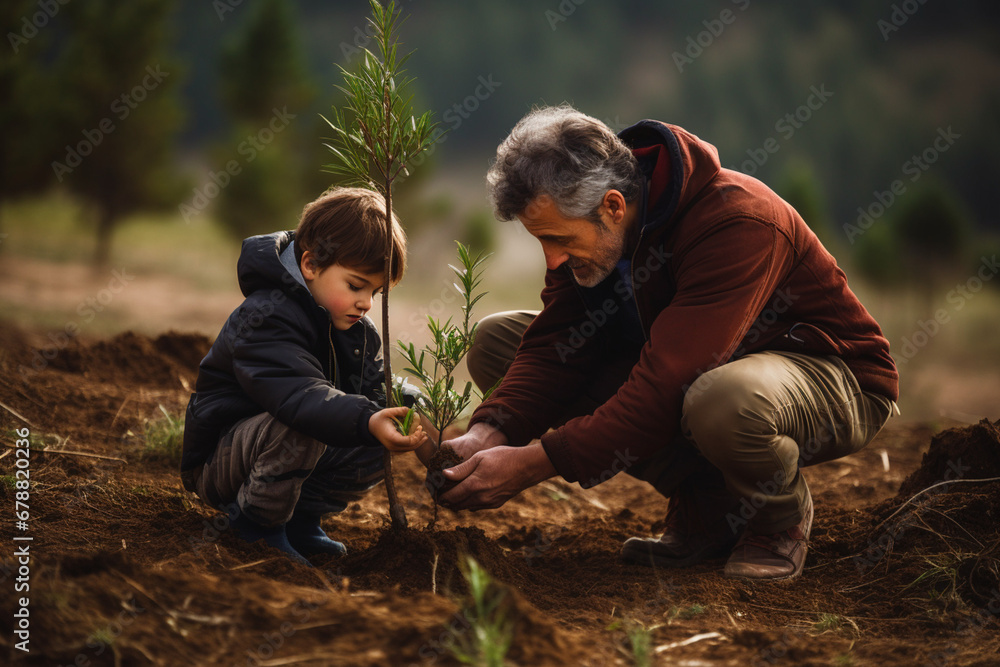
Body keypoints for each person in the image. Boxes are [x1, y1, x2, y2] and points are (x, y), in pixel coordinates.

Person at [438, 105, 899, 581]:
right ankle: (708, 502)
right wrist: (489, 432)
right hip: (697, 372)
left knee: (720, 401)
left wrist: (535, 463)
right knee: (498, 341)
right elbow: (556, 345)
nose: (551, 261)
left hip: (831, 376)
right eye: (541, 242)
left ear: (613, 206)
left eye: (558, 239)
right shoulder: (592, 232)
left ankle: (776, 520)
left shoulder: (737, 221)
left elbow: (668, 383)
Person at [180, 187, 431, 565]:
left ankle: (300, 520)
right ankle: (257, 526)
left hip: (280, 450)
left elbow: (371, 392)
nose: (366, 302)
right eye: (356, 285)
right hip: (224, 463)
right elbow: (301, 397)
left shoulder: (356, 330)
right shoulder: (265, 317)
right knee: (304, 423)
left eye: (376, 292)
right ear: (311, 265)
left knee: (373, 436)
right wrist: (366, 417)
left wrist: (408, 405)